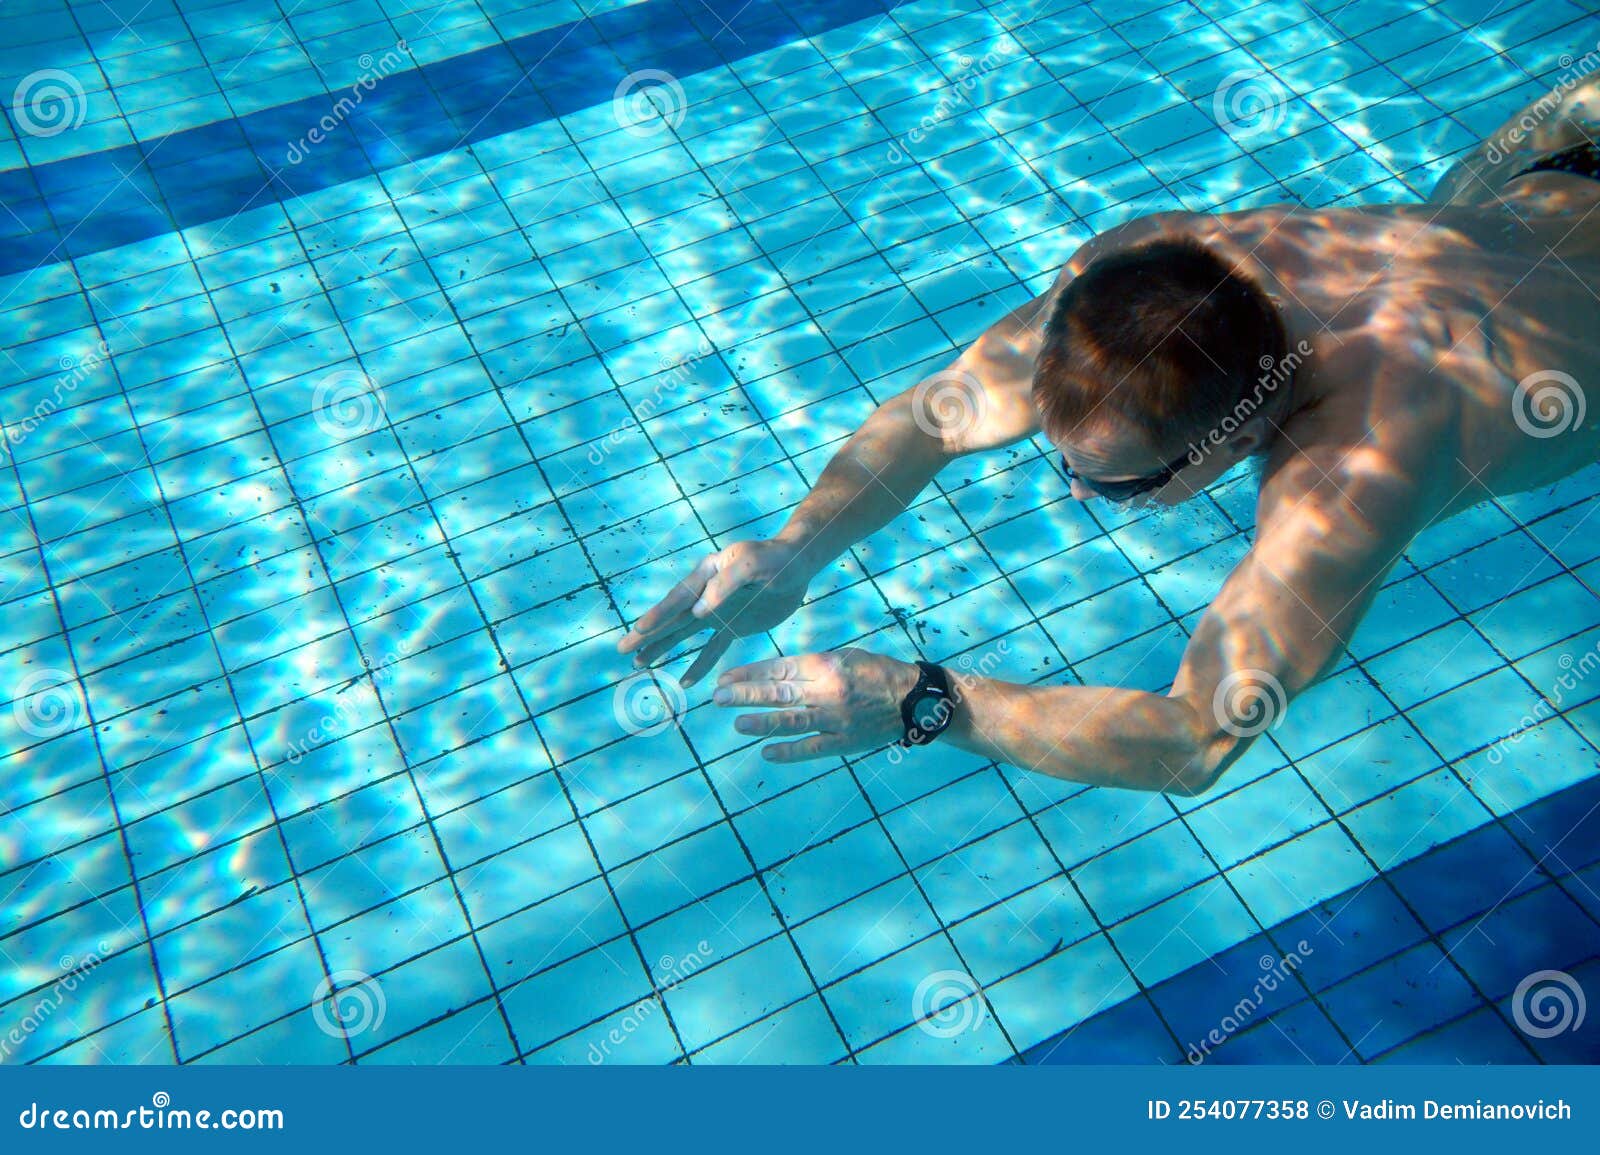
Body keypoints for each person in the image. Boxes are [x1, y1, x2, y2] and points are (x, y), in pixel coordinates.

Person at [615, 73, 1600, 795]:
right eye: (1065, 455)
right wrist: (795, 548)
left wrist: (924, 699)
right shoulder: (1143, 276)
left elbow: (1196, 739)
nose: (1078, 493)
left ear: (1244, 426)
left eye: (1122, 486)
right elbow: (934, 414)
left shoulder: (1362, 461)